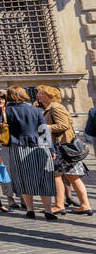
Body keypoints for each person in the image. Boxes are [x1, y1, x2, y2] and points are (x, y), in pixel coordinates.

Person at [0, 86, 58, 219]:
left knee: (24, 179)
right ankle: (48, 211)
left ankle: (30, 210)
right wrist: (52, 149)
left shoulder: (6, 111)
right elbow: (44, 130)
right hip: (40, 146)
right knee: (44, 179)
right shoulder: (36, 110)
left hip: (18, 147)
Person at [37, 85, 91, 216]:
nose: (38, 95)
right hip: (64, 147)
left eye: (41, 93)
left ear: (48, 95)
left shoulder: (55, 107)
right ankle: (85, 205)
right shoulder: (51, 107)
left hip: (63, 147)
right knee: (73, 177)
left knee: (57, 175)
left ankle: (59, 205)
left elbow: (64, 125)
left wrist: (44, 127)